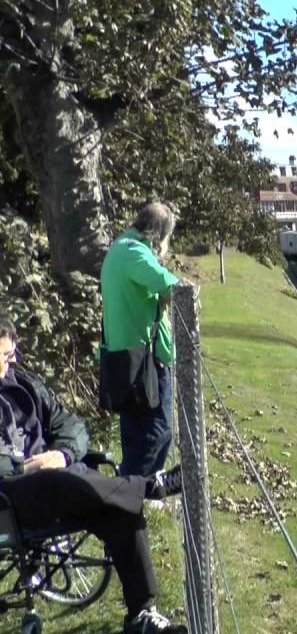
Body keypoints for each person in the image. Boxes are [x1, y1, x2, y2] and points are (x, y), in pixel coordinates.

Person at [0, 317, 186, 634]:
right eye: (5, 355)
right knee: (63, 482)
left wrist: (64, 455)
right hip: (11, 497)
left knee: (118, 508)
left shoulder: (26, 384)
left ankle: (141, 615)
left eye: (13, 352)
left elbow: (71, 426)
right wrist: (28, 468)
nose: (13, 360)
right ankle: (148, 486)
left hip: (61, 482)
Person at [101, 202, 181, 478]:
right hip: (145, 360)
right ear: (159, 234)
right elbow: (171, 284)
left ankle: (131, 503)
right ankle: (129, 495)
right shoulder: (136, 253)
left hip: (122, 357)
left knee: (134, 432)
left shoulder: (118, 248)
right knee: (158, 432)